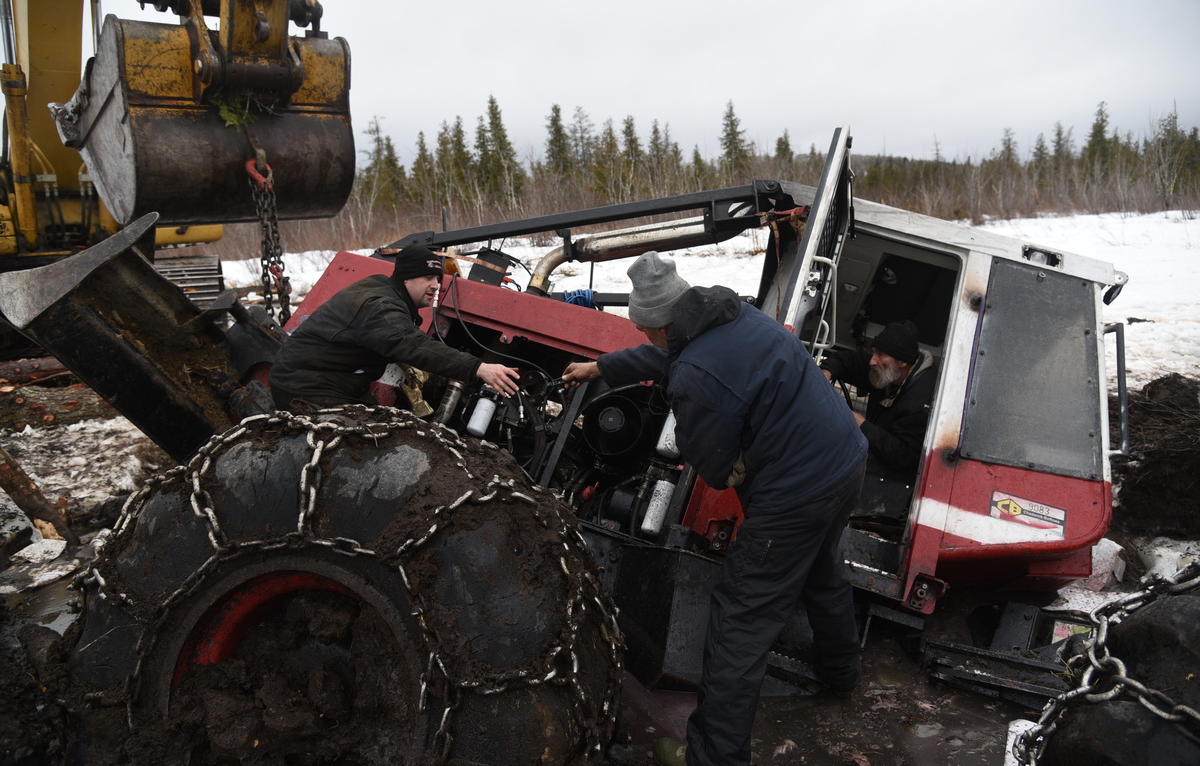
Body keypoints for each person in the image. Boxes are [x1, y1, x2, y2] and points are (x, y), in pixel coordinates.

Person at [562, 252, 867, 766]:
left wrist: (729, 457)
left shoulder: (695, 373)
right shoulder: (732, 315)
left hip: (796, 491)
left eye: (643, 328)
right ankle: (842, 672)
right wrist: (603, 366)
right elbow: (671, 358)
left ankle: (712, 756)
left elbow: (713, 464)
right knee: (821, 566)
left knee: (740, 620)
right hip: (844, 461)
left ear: (656, 323)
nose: (645, 335)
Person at [270, 244, 519, 411]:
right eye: (428, 278)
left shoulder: (383, 290)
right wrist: (478, 368)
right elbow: (412, 344)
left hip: (332, 380)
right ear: (406, 278)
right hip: (304, 387)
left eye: (438, 279)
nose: (436, 286)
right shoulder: (380, 307)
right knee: (376, 443)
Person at [819, 320, 937, 479]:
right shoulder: (889, 369)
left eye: (880, 354)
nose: (872, 361)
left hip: (892, 478)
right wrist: (826, 372)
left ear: (902, 362)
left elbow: (904, 456)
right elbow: (852, 361)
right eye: (874, 352)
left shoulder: (919, 403)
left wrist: (863, 425)